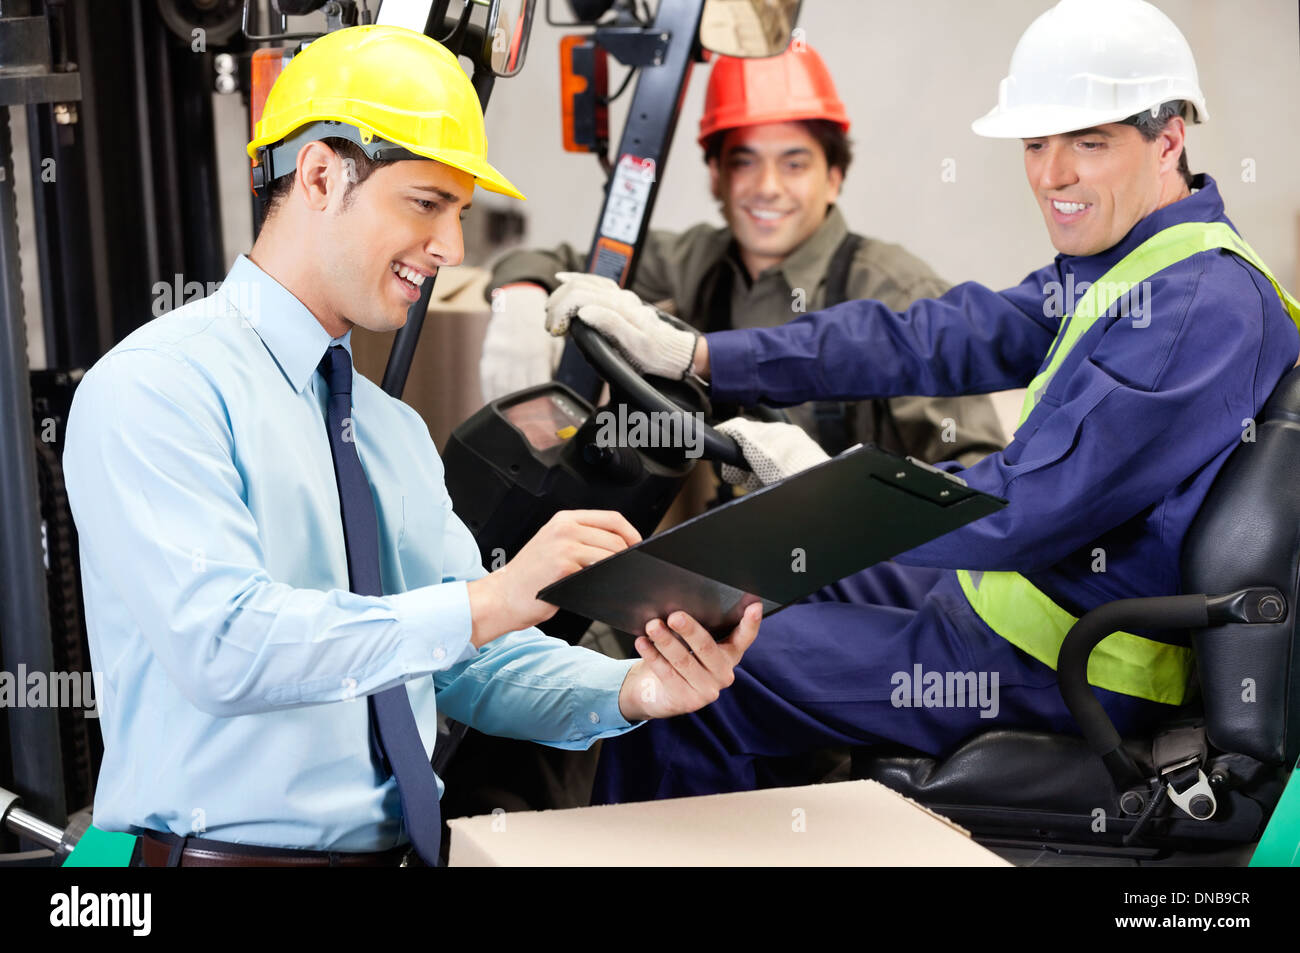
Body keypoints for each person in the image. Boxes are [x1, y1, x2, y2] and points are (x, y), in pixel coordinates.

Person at [543, 0, 1300, 802]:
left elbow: (1028, 510)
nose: (1052, 175)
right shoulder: (1138, 265)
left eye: (1088, 143)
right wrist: (702, 356)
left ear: (1168, 141)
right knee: (702, 588)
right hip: (1007, 598)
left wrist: (833, 490)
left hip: (1068, 657)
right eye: (1035, 144)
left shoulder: (1195, 308)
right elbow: (934, 337)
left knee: (697, 682)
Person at [61, 24, 760, 866]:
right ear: (320, 175)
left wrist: (637, 687)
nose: (452, 248)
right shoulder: (159, 386)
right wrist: (489, 600)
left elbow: (467, 666)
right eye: (426, 204)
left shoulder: (388, 430)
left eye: (458, 212)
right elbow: (224, 646)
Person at [481, 43, 1006, 468]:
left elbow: (971, 478)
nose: (767, 187)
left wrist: (850, 505)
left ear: (834, 177)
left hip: (866, 557)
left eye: (794, 164)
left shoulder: (897, 292)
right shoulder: (698, 260)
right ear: (716, 177)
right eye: (744, 162)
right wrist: (521, 298)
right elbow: (567, 260)